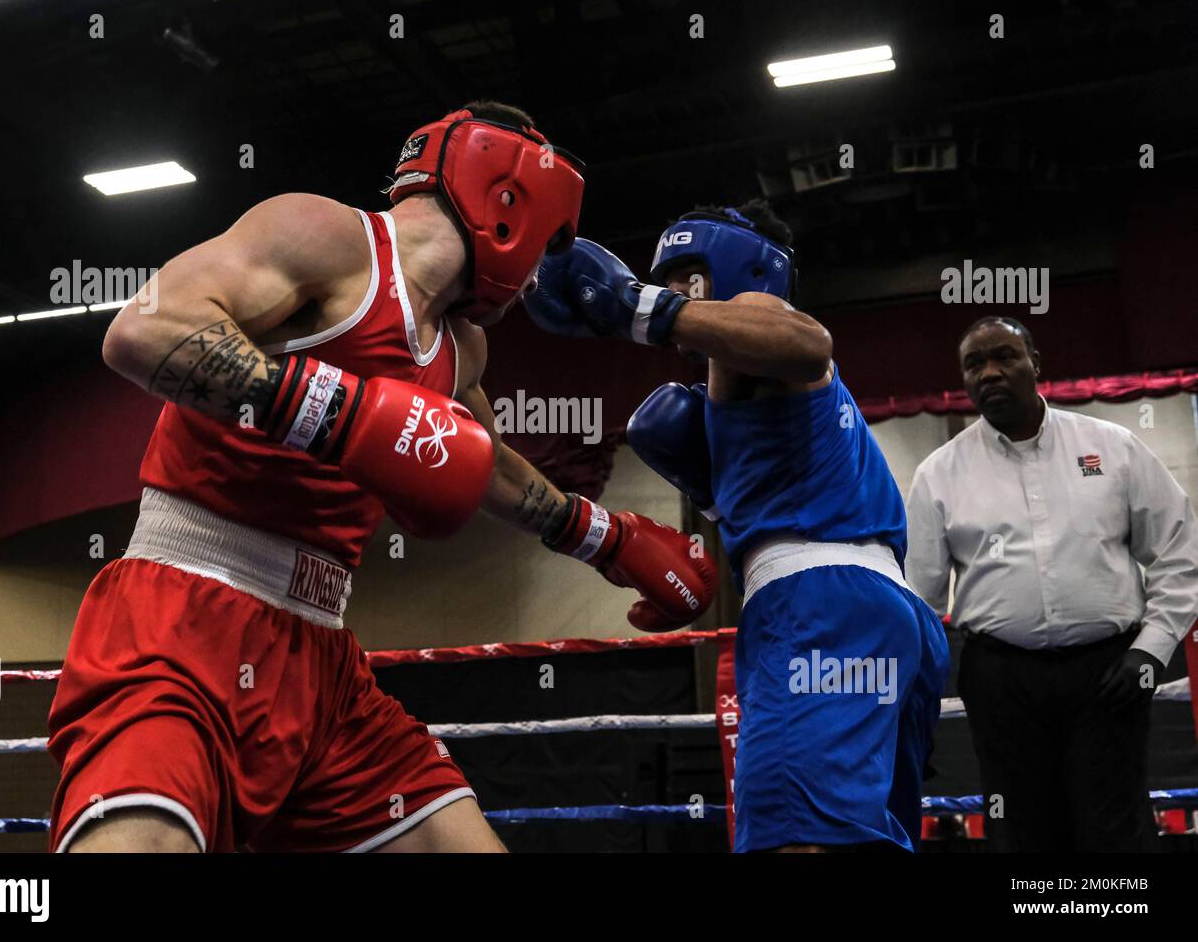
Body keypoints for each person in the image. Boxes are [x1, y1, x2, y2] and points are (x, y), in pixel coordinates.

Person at [48, 101, 718, 853]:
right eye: (552, 243)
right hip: (183, 618)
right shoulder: (326, 237)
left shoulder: (462, 350)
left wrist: (607, 539)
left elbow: (476, 461)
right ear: (510, 206)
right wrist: (336, 413)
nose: (541, 275)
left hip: (323, 662)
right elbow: (142, 329)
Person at [525, 200, 949, 852]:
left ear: (741, 267)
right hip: (884, 613)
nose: (671, 288)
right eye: (663, 278)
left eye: (686, 273)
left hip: (819, 611)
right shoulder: (737, 393)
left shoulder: (767, 325)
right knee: (863, 837)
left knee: (794, 836)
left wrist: (638, 307)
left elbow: (809, 344)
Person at [905, 316, 1198, 851]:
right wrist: (912, 707)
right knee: (1020, 831)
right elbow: (918, 603)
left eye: (1004, 357)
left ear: (1035, 363)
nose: (990, 372)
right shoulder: (938, 474)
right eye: (975, 364)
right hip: (1000, 678)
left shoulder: (1113, 448)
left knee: (1114, 829)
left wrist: (1153, 651)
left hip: (1110, 669)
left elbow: (1180, 549)